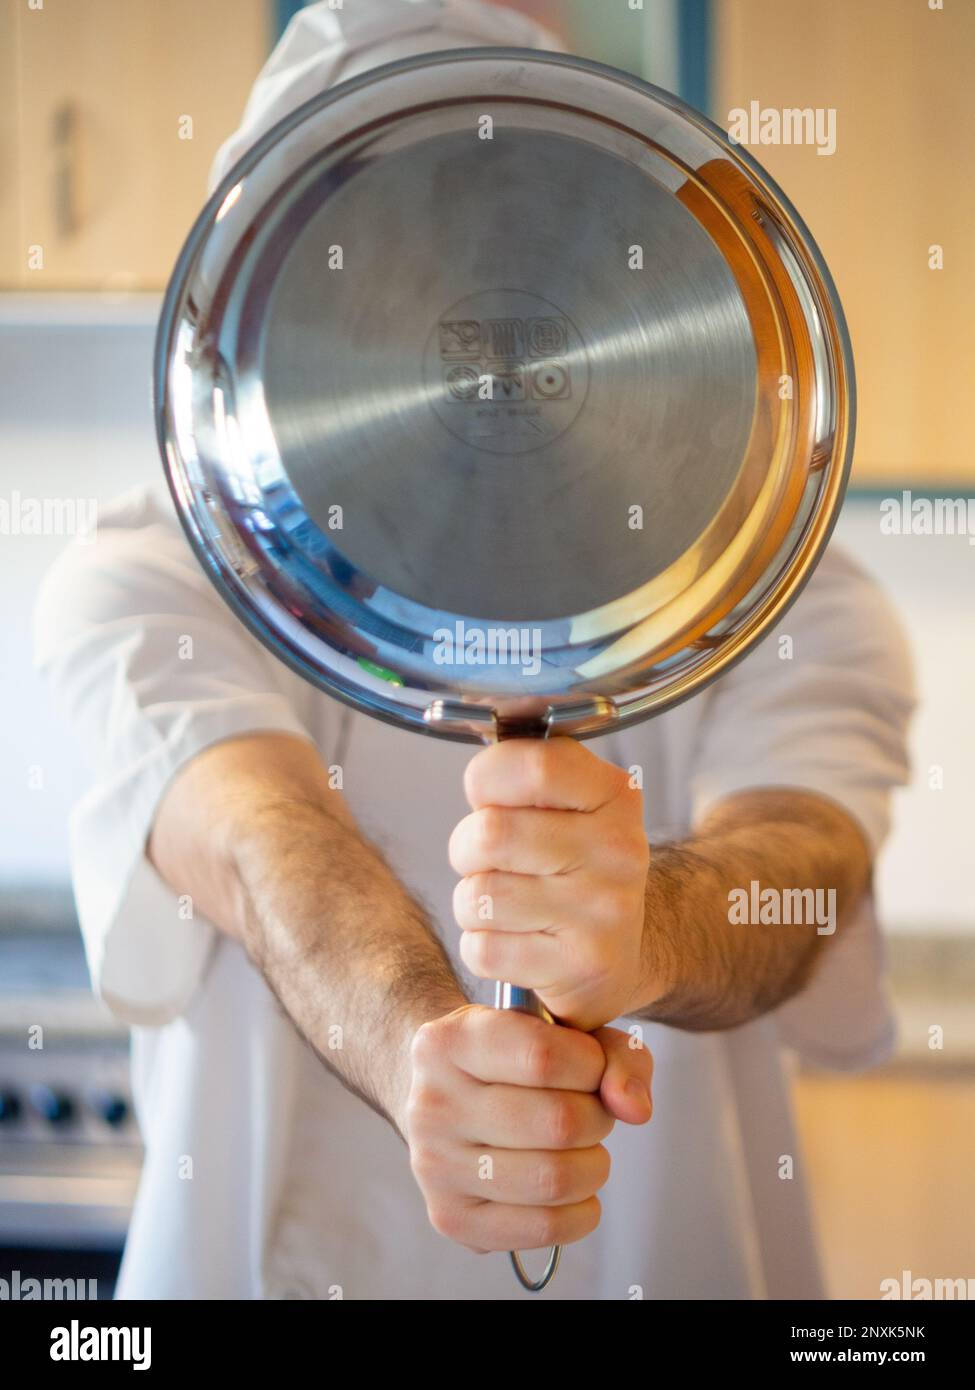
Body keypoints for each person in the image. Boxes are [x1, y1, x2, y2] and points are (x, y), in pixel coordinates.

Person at [34, 0, 915, 1301]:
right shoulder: (137, 575)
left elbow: (807, 854)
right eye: (377, 262)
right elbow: (257, 836)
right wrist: (413, 1047)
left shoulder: (773, 577)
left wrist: (652, 928)